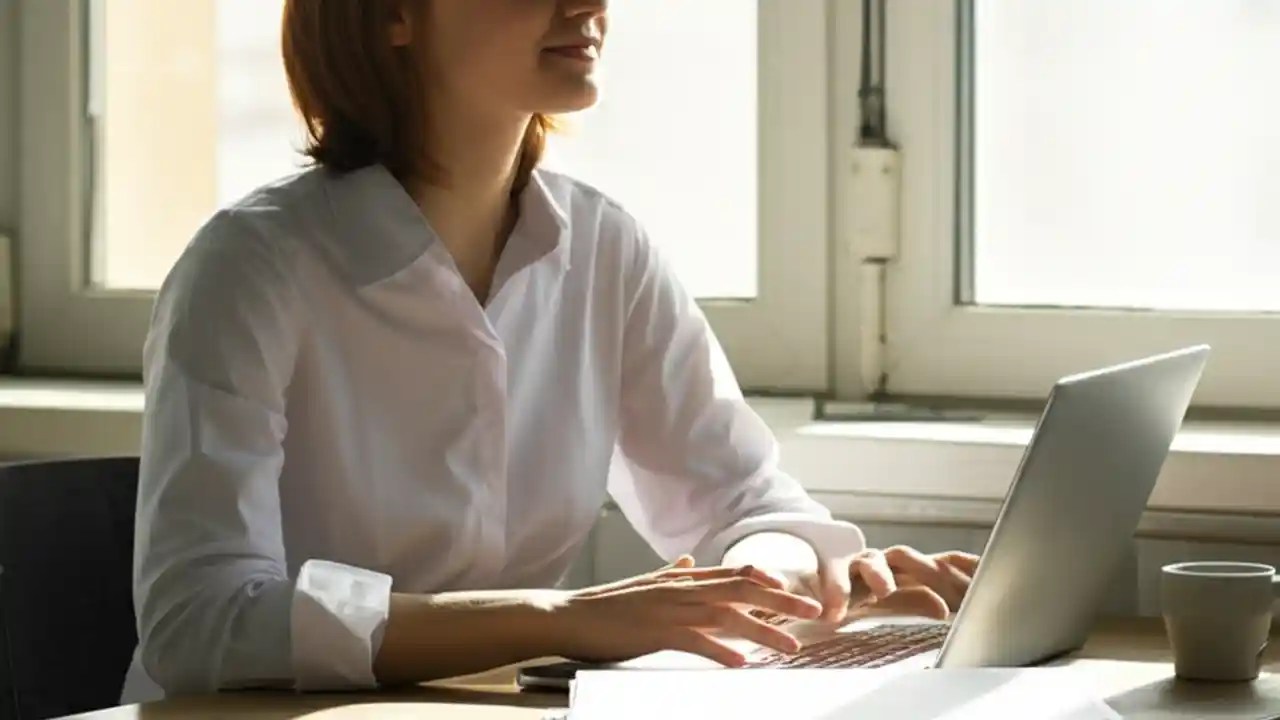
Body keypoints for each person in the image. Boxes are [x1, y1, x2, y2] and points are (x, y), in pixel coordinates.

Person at [125, 0, 979, 701]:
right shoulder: (249, 270)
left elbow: (746, 506)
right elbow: (202, 621)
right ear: (391, 14)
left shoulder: (604, 248)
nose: (592, 4)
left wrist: (775, 584)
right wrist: (563, 616)